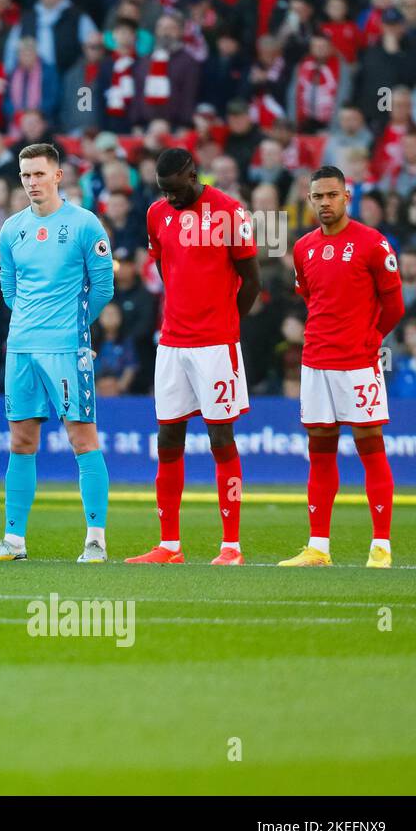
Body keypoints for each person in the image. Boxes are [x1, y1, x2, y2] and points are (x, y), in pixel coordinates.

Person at [125, 148, 261, 565]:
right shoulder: (156, 214)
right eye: (162, 191)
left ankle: (231, 547)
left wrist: (225, 325)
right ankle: (169, 545)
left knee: (221, 439)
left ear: (192, 174)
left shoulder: (229, 212)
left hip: (216, 345)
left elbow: (251, 281)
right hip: (172, 344)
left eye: (175, 189)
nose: (170, 199)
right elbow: (166, 269)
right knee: (168, 439)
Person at [0, 143, 114, 563]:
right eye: (25, 176)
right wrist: (31, 322)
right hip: (21, 348)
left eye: (39, 174)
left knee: (81, 438)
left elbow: (103, 288)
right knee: (21, 441)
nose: (31, 182)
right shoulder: (11, 229)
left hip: (66, 349)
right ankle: (13, 541)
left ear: (58, 176)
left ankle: (95, 540)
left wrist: (73, 328)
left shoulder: (84, 224)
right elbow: (9, 290)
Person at [278, 166, 406, 569]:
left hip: (358, 364)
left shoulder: (373, 243)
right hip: (316, 361)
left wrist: (371, 339)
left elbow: (394, 305)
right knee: (319, 451)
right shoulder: (303, 248)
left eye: (332, 195)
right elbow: (313, 300)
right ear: (310, 199)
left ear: (347, 196)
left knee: (370, 446)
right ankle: (318, 547)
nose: (325, 203)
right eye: (318, 197)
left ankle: (381, 546)